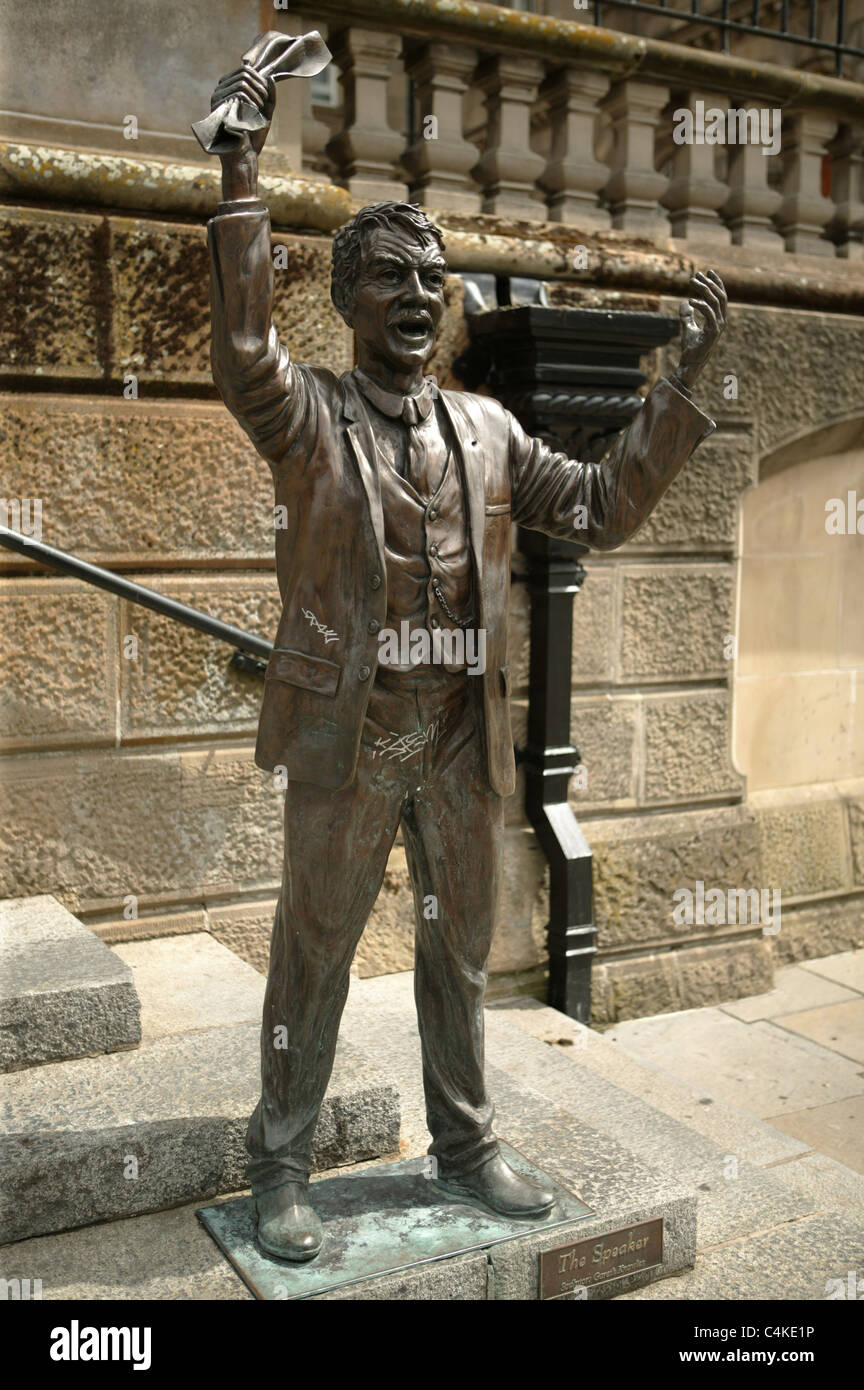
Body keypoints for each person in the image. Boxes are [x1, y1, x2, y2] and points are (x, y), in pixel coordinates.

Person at [205, 62, 727, 1261]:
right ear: (347, 297)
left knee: (460, 944)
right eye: (392, 275)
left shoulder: (486, 430)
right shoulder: (307, 416)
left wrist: (679, 383)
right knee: (316, 944)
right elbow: (242, 347)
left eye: (434, 281)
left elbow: (597, 503)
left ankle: (466, 1140)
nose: (420, 295)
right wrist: (241, 166)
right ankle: (279, 1159)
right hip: (352, 730)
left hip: (454, 736)